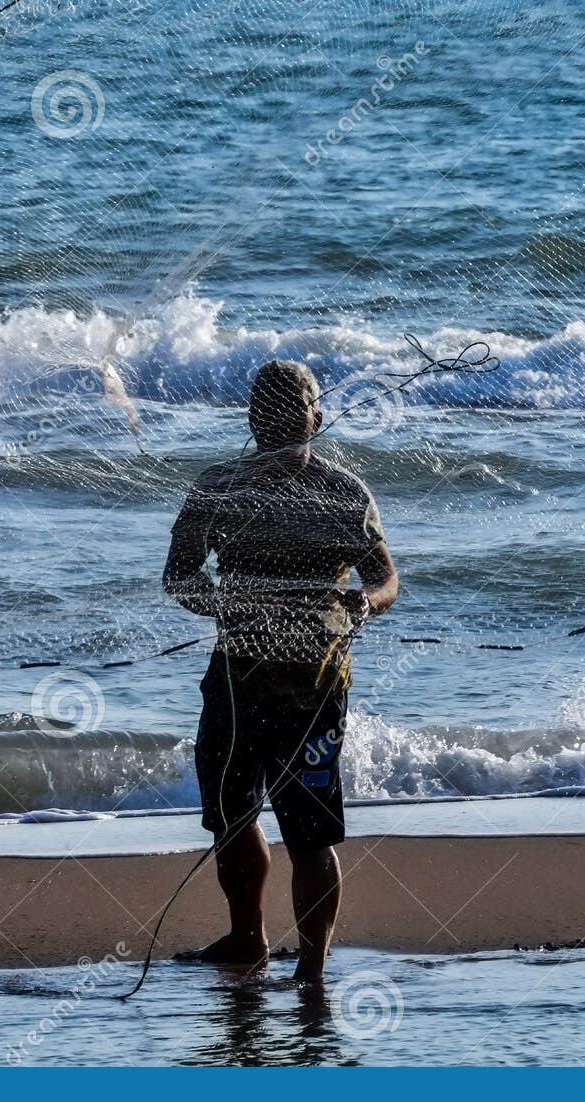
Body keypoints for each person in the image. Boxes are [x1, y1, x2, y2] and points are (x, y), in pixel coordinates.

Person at [162, 359, 398, 985]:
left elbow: (385, 580)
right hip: (236, 681)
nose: (288, 420)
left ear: (316, 419)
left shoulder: (345, 493)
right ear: (252, 420)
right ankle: (248, 939)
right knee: (231, 817)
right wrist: (223, 604)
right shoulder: (218, 487)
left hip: (315, 687)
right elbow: (178, 577)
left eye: (298, 409)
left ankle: (313, 970)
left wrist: (363, 605)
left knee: (311, 833)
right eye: (275, 411)